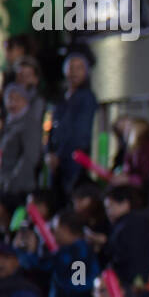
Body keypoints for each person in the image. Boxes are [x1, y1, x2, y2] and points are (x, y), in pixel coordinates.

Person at [46, 51, 99, 195]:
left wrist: (61, 155)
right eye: (71, 68)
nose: (74, 72)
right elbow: (52, 127)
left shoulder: (87, 98)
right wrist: (49, 152)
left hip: (74, 160)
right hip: (56, 160)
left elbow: (80, 132)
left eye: (79, 68)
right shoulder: (61, 99)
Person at [0, 84, 41, 225]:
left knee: (13, 225)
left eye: (17, 99)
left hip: (18, 188)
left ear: (25, 101)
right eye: (9, 99)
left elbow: (30, 156)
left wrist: (12, 182)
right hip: (4, 185)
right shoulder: (8, 125)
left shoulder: (29, 124)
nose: (12, 104)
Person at [97, 185, 149, 289]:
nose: (108, 212)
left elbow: (129, 254)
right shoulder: (124, 223)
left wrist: (104, 243)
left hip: (133, 282)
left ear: (125, 203)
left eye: (111, 206)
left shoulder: (131, 224)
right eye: (106, 208)